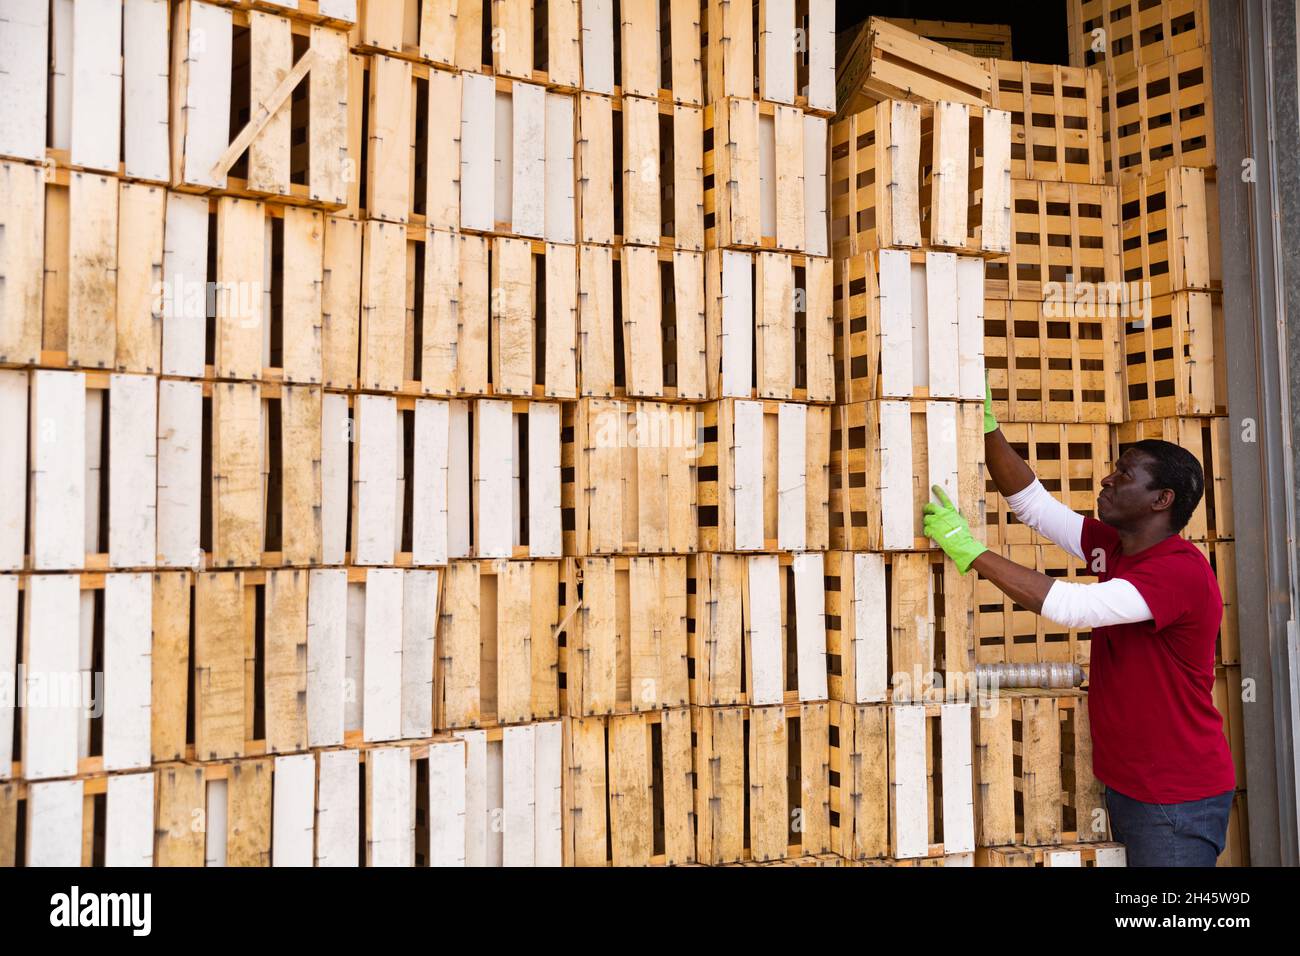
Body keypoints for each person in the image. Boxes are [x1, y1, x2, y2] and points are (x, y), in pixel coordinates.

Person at [923, 378, 1236, 866]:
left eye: (1124, 475)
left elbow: (1074, 608)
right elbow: (1033, 506)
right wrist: (988, 427)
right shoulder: (1116, 545)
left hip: (1176, 797)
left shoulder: (1179, 572)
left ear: (1162, 500)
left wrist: (971, 551)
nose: (1107, 481)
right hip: (1130, 784)